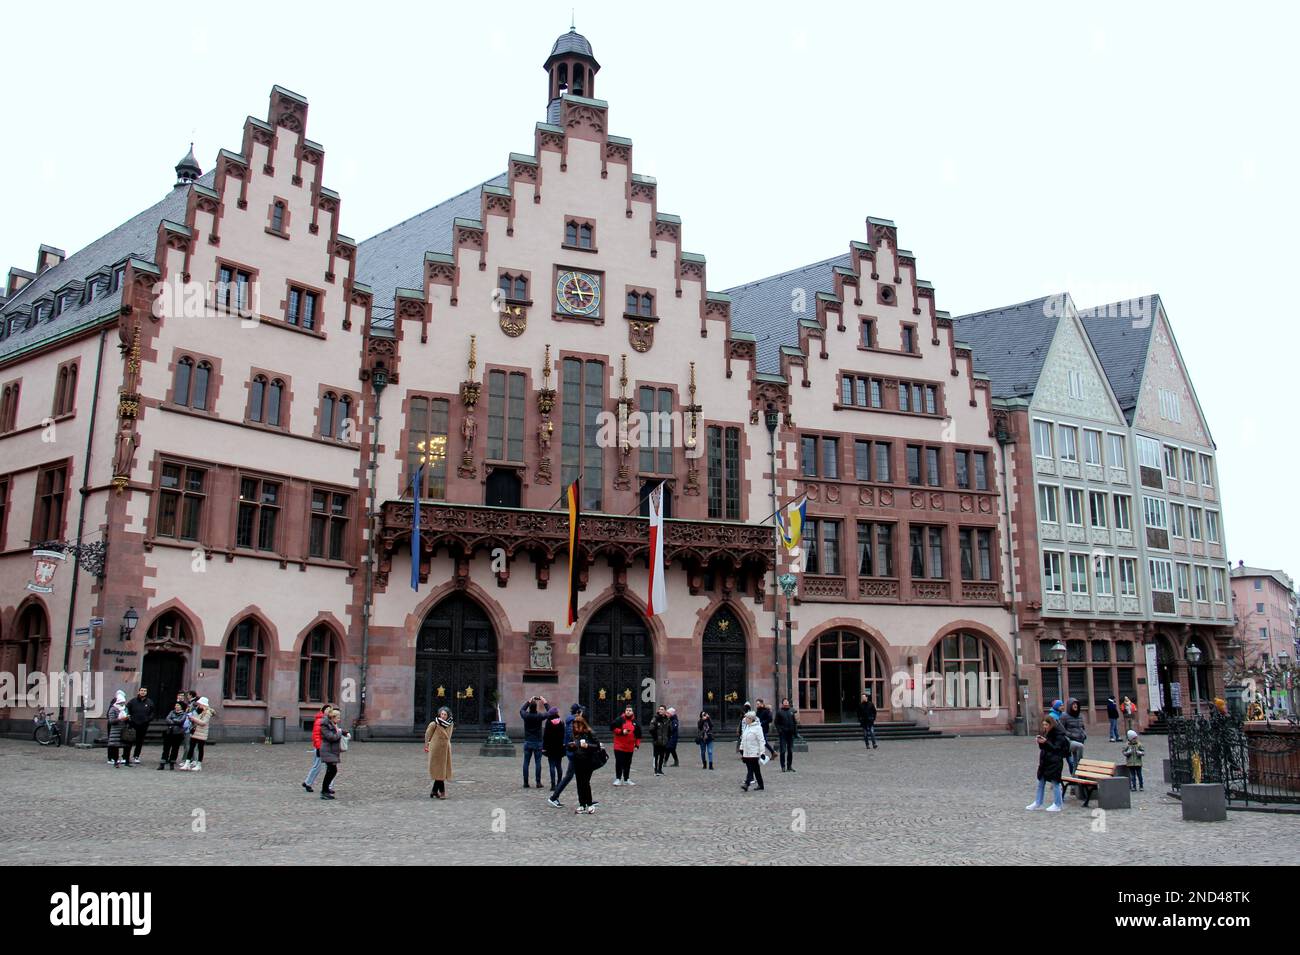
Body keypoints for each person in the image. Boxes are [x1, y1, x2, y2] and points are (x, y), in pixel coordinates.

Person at [1026, 716, 1069, 812]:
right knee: (1041, 781)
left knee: (1055, 783)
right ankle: (1038, 802)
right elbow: (1045, 747)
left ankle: (1058, 804)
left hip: (1055, 762)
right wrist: (1041, 742)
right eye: (1043, 725)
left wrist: (1046, 742)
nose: (1045, 727)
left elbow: (1056, 748)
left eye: (1046, 725)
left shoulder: (1059, 735)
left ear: (1051, 724)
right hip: (1045, 761)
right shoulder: (1047, 733)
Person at [549, 703, 586, 807]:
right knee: (575, 776)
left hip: (575, 752)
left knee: (578, 776)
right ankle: (554, 797)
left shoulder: (573, 721)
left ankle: (586, 800)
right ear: (578, 712)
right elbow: (573, 736)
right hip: (575, 753)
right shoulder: (573, 721)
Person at [568, 714, 604, 814]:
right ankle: (582, 804)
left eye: (577, 725)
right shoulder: (575, 734)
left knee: (585, 783)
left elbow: (597, 746)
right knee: (579, 783)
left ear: (582, 724)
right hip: (577, 760)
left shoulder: (590, 733)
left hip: (588, 761)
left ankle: (590, 804)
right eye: (574, 726)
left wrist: (587, 745)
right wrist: (571, 746)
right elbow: (573, 747)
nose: (575, 728)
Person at [424, 706, 454, 799]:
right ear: (439, 714)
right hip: (436, 749)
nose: (443, 716)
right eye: (442, 714)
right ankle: (442, 792)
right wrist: (426, 745)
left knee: (441, 771)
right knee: (439, 771)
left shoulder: (450, 724)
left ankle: (434, 791)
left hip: (445, 749)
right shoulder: (434, 724)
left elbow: (449, 736)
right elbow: (427, 734)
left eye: (445, 714)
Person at [520, 696, 548, 788]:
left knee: (526, 763)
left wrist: (528, 701)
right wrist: (545, 702)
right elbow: (550, 713)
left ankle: (525, 782)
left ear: (529, 708)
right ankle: (538, 782)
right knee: (538, 763)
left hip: (528, 741)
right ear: (536, 708)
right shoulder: (539, 716)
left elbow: (521, 710)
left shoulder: (526, 716)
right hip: (538, 742)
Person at [302, 703, 331, 792]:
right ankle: (308, 783)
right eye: (327, 710)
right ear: (323, 710)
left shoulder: (328, 720)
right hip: (321, 747)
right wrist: (318, 748)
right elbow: (316, 736)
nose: (329, 711)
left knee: (329, 767)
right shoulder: (320, 721)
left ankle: (329, 786)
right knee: (317, 767)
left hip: (327, 747)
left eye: (330, 710)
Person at [318, 707, 345, 800]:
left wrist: (343, 732)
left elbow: (336, 733)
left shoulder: (333, 724)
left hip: (331, 751)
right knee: (331, 771)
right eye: (338, 717)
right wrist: (340, 733)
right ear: (332, 717)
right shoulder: (324, 725)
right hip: (327, 750)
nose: (339, 719)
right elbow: (331, 737)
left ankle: (326, 790)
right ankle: (324, 791)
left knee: (332, 771)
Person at [610, 705, 641, 786]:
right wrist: (621, 732)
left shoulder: (636, 723)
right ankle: (618, 779)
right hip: (619, 746)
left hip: (629, 747)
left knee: (627, 763)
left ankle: (626, 779)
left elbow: (638, 736)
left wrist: (637, 745)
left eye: (630, 710)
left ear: (632, 712)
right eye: (627, 710)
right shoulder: (619, 719)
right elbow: (612, 728)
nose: (628, 711)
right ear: (625, 711)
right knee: (619, 762)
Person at [179, 697, 212, 771]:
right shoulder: (201, 711)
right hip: (196, 732)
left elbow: (203, 723)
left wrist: (194, 719)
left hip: (202, 733)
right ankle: (187, 764)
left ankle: (199, 765)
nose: (198, 705)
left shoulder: (207, 712)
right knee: (191, 747)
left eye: (200, 704)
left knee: (200, 749)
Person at [125, 686, 155, 765]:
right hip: (133, 724)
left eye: (145, 691)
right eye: (141, 690)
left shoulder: (150, 702)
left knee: (140, 741)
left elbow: (152, 713)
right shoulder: (133, 701)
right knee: (129, 741)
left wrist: (148, 719)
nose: (143, 692)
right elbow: (127, 710)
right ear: (139, 691)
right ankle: (126, 756)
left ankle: (136, 756)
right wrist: (129, 719)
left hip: (143, 725)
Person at [739, 712, 766, 792]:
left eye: (747, 718)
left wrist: (762, 753)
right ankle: (761, 785)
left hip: (754, 752)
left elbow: (761, 741)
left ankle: (747, 783)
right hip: (747, 752)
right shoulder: (747, 727)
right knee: (756, 769)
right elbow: (743, 739)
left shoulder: (758, 728)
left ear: (751, 719)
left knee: (750, 769)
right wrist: (741, 748)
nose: (745, 719)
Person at [542, 706, 567, 792]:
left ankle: (553, 785)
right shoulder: (561, 722)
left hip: (550, 748)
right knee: (559, 766)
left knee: (551, 766)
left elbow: (545, 736)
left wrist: (544, 747)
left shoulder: (548, 722)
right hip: (559, 747)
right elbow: (564, 735)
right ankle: (559, 783)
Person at [1060, 698, 1087, 774]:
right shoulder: (1064, 716)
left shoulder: (1080, 715)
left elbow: (1082, 727)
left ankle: (1075, 776)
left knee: (1075, 760)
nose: (1075, 706)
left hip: (1080, 739)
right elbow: (1062, 730)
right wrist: (1070, 735)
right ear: (1069, 706)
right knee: (1078, 757)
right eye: (1073, 704)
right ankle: (1079, 771)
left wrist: (1084, 734)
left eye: (1076, 704)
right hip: (1070, 741)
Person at [158, 701, 186, 770]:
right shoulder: (172, 712)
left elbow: (181, 721)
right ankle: (162, 763)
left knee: (175, 749)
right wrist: (174, 721)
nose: (176, 707)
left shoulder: (184, 714)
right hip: (169, 732)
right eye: (176, 705)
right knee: (166, 748)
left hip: (178, 733)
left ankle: (172, 763)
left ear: (181, 707)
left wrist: (173, 720)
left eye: (178, 705)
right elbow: (167, 719)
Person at [106, 690, 131, 767]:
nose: (123, 703)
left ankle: (127, 761)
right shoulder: (113, 709)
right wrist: (120, 719)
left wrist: (128, 719)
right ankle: (116, 762)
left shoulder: (125, 708)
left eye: (123, 702)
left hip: (124, 730)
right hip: (115, 730)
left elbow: (128, 717)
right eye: (121, 702)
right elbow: (111, 721)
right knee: (115, 746)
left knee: (127, 745)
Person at [774, 698, 798, 772]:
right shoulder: (779, 712)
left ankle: (789, 766)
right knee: (783, 751)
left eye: (787, 702)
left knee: (790, 751)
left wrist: (795, 732)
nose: (786, 703)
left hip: (790, 734)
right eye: (785, 702)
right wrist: (780, 730)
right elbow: (776, 722)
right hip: (783, 734)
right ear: (782, 703)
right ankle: (783, 766)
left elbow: (794, 722)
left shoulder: (791, 711)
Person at [650, 704, 672, 776]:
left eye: (662, 709)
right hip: (657, 741)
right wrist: (655, 738)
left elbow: (670, 729)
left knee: (662, 756)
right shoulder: (655, 718)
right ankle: (655, 770)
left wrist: (668, 738)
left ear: (665, 711)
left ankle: (660, 770)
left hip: (664, 741)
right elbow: (651, 729)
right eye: (660, 709)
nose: (660, 710)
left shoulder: (667, 719)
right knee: (656, 756)